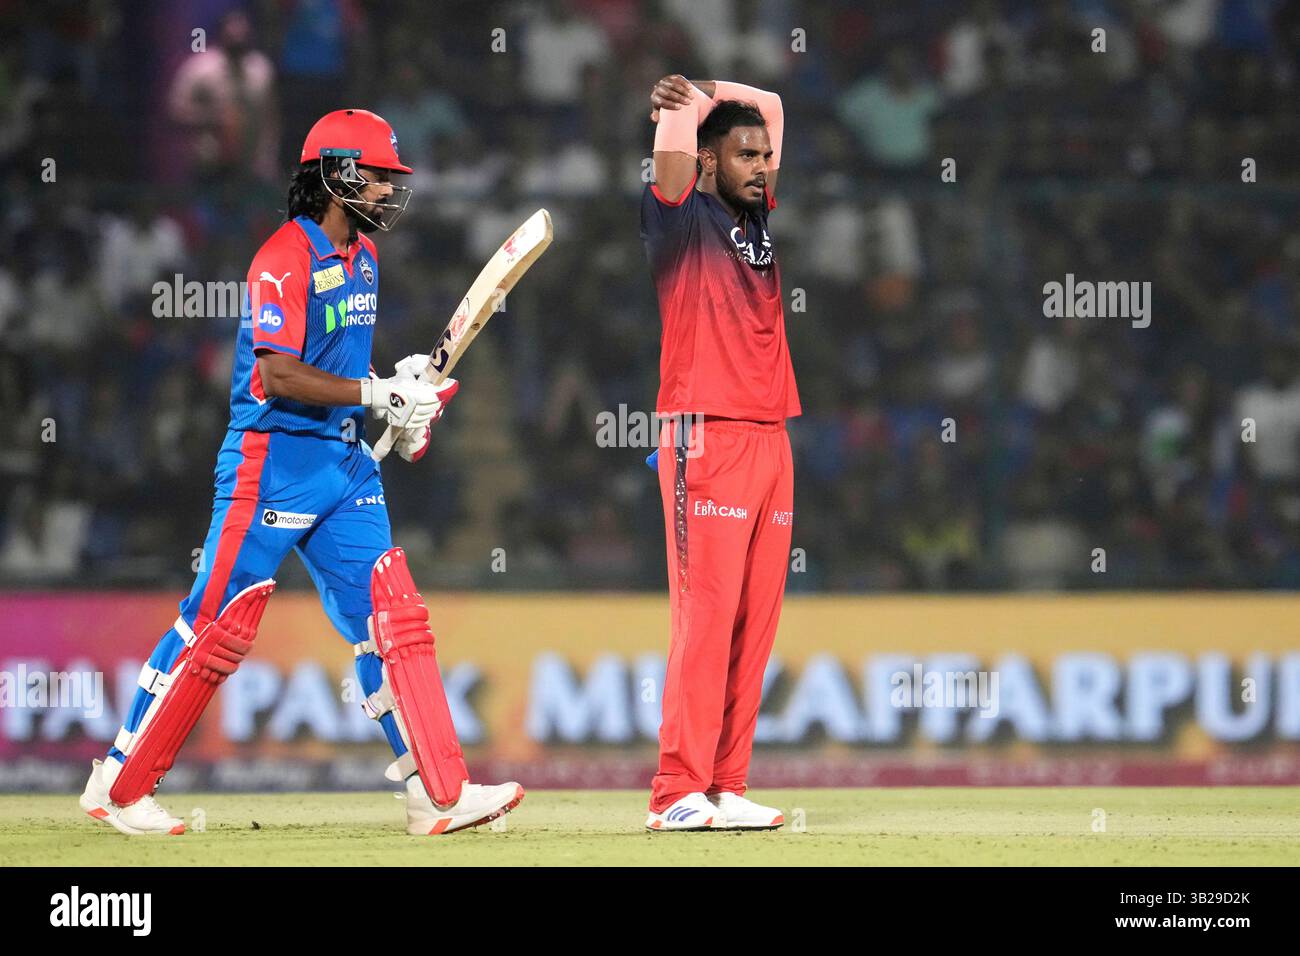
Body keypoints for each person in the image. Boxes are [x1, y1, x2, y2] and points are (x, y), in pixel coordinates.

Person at [79, 109, 524, 836]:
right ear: (338, 176)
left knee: (392, 618)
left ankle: (439, 795)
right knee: (217, 623)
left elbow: (343, 371)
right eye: (378, 178)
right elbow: (281, 376)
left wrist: (398, 402)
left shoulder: (366, 261)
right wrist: (381, 395)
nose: (387, 193)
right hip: (272, 461)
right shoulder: (281, 259)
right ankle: (118, 786)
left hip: (343, 464)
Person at [640, 75, 799, 831]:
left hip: (772, 436)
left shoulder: (756, 216)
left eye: (766, 156)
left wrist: (710, 87)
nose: (763, 164)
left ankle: (726, 784)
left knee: (752, 622)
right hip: (703, 434)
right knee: (705, 618)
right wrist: (682, 103)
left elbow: (768, 104)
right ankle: (675, 790)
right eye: (745, 156)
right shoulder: (679, 217)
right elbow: (681, 131)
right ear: (706, 164)